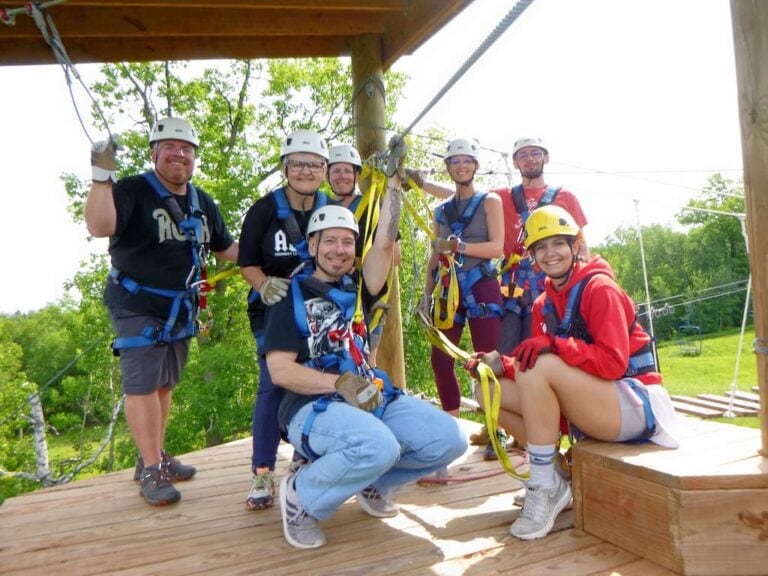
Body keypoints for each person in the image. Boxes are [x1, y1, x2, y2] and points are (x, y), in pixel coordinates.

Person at [466, 205, 678, 541]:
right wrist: (499, 364)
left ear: (574, 245)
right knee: (487, 390)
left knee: (543, 363)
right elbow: (536, 368)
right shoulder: (543, 305)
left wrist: (554, 345)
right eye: (540, 247)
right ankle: (553, 476)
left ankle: (543, 485)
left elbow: (612, 363)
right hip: (594, 401)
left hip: (635, 403)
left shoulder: (600, 289)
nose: (550, 253)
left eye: (558, 244)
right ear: (533, 258)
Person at [263, 203, 467, 549]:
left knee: (450, 438)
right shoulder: (289, 297)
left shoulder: (359, 290)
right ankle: (302, 495)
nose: (339, 250)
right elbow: (280, 371)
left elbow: (384, 244)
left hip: (369, 395)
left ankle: (372, 480)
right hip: (311, 406)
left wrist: (393, 188)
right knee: (378, 445)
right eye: (330, 241)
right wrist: (339, 383)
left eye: (347, 242)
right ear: (312, 246)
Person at [85, 117, 239, 506]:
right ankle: (153, 470)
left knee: (164, 384)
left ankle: (150, 457)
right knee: (142, 385)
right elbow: (100, 226)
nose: (179, 154)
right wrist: (102, 176)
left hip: (179, 308)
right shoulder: (133, 190)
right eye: (169, 147)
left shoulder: (202, 202)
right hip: (136, 304)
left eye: (186, 149)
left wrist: (276, 259)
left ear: (194, 158)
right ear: (154, 153)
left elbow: (227, 249)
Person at [238, 129, 331, 511]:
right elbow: (247, 262)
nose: (306, 171)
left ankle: (303, 455)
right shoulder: (263, 211)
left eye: (314, 164)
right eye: (298, 164)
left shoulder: (332, 209)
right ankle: (262, 470)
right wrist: (263, 284)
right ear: (285, 168)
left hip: (318, 309)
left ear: (324, 169)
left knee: (316, 382)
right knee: (272, 385)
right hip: (274, 309)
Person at [418, 138, 505, 459]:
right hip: (447, 289)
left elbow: (496, 247)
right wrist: (426, 295)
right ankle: (451, 431)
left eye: (467, 161)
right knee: (440, 360)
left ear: (475, 166)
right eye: (455, 162)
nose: (461, 166)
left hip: (481, 285)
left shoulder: (489, 201)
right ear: (448, 167)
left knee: (488, 362)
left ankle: (496, 429)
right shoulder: (441, 210)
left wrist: (461, 247)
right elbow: (435, 254)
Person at [327, 143, 400, 365]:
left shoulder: (372, 206)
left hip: (365, 298)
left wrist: (357, 262)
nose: (342, 176)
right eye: (336, 171)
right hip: (329, 296)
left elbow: (395, 256)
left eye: (347, 171)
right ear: (327, 175)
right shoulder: (322, 209)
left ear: (357, 175)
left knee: (365, 361)